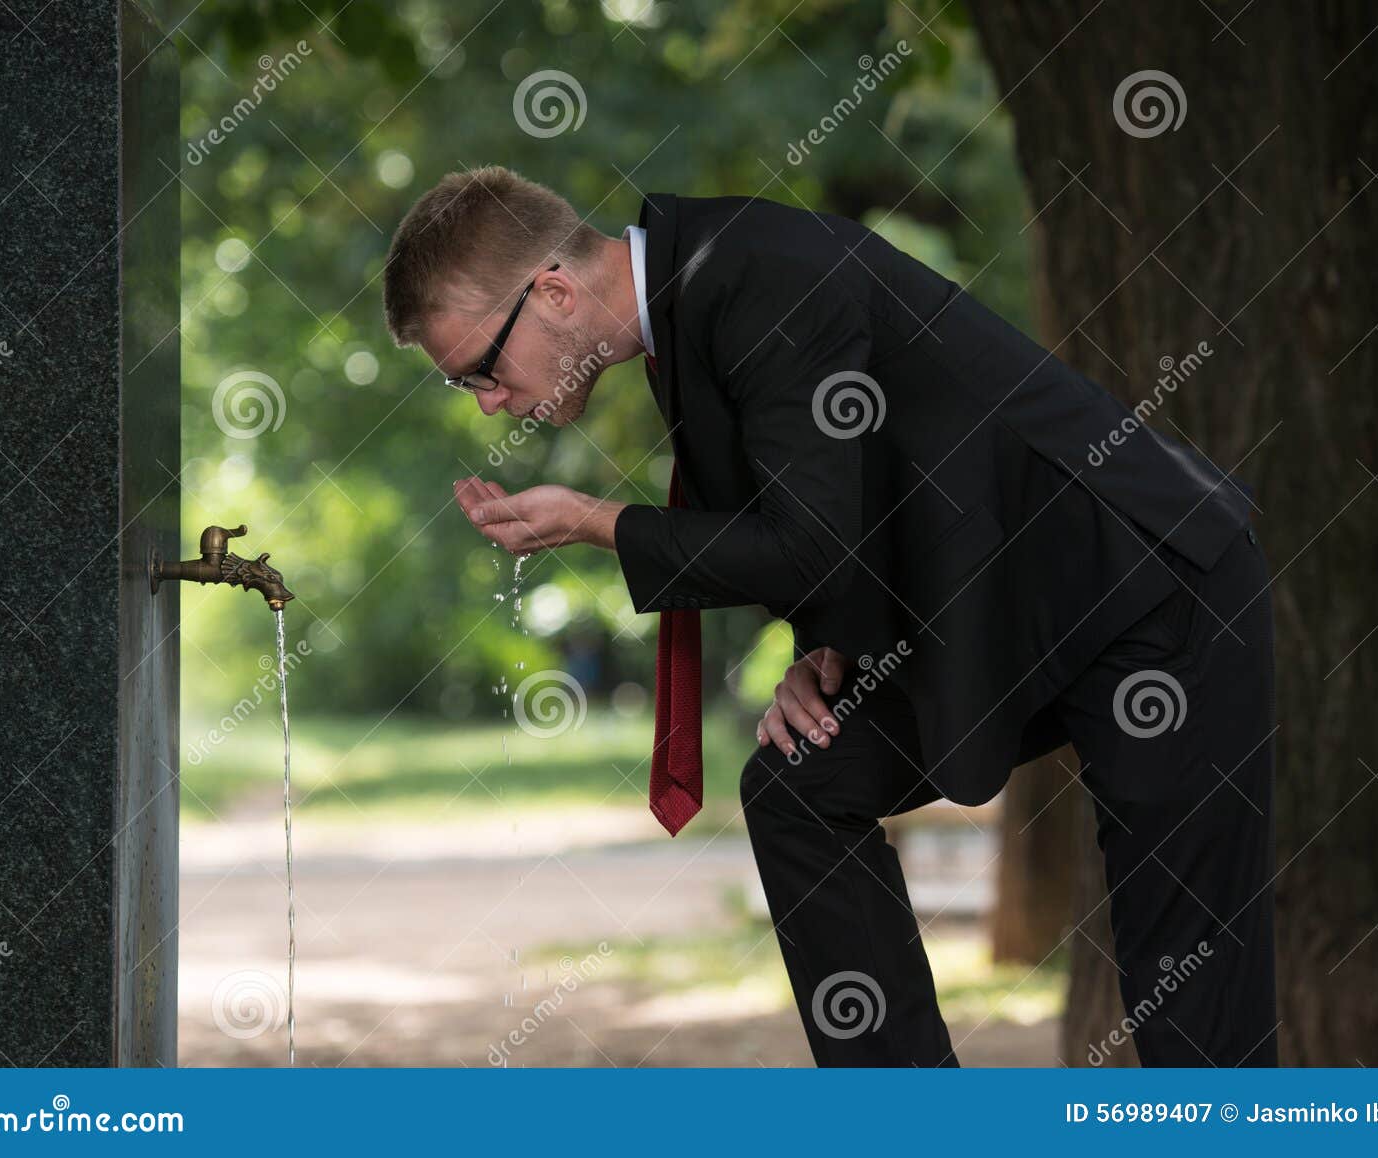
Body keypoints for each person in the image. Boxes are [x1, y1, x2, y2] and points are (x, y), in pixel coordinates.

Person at [383, 165, 1278, 1068]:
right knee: (800, 785)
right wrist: (831, 650)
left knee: (1195, 1002)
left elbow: (809, 539)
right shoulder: (693, 304)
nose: (490, 402)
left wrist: (593, 521)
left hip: (1147, 576)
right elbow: (850, 497)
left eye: (479, 373)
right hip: (997, 612)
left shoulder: (759, 272)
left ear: (555, 291)